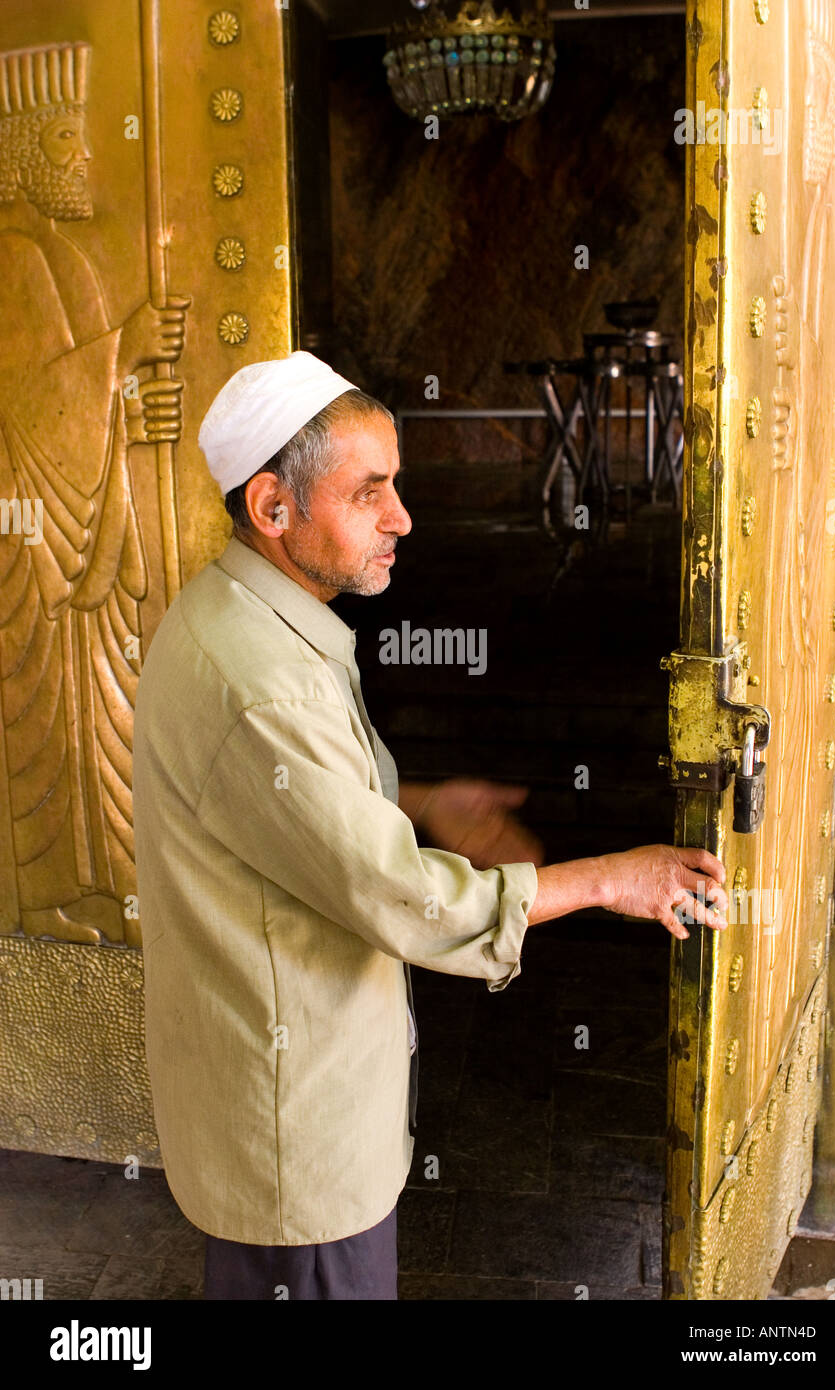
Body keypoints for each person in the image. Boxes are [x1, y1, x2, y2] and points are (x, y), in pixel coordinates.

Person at [131, 351, 727, 1301]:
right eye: (370, 493)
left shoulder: (232, 616)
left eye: (395, 485)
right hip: (299, 1139)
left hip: (266, 1105)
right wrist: (615, 878)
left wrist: (419, 805)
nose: (402, 517)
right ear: (272, 508)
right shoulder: (261, 680)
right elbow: (398, 897)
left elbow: (284, 808)